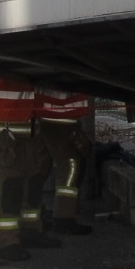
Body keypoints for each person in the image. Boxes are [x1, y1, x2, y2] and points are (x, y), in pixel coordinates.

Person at [0, 75, 58, 261]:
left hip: (26, 116)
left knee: (33, 178)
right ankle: (7, 242)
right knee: (10, 183)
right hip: (1, 115)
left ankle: (29, 229)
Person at [35, 87, 95, 236]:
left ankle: (31, 213)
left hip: (49, 112)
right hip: (59, 112)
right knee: (70, 165)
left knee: (39, 166)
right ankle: (64, 219)